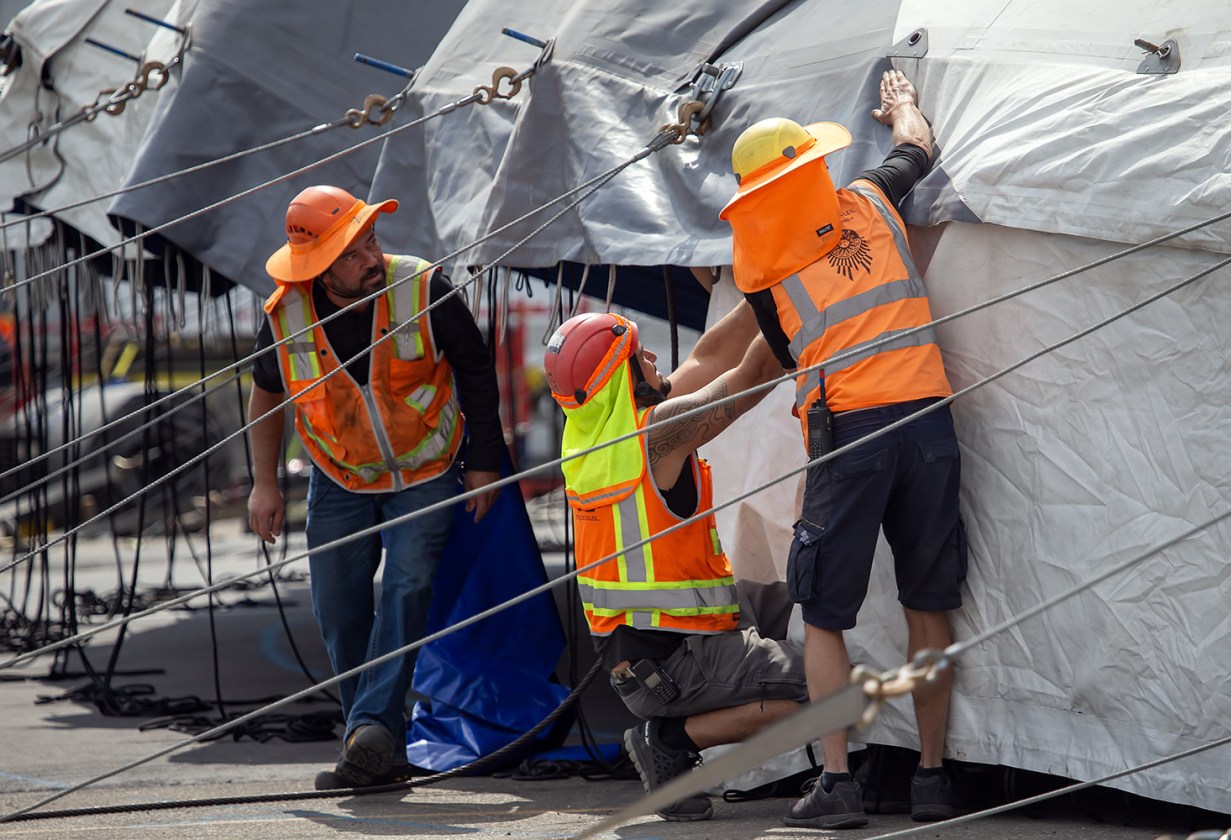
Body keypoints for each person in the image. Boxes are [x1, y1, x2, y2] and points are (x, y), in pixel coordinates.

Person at [718, 70, 969, 826]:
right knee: (931, 601)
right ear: (813, 166)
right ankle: (932, 778)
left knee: (824, 613)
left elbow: (791, 356)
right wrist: (901, 107)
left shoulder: (763, 275)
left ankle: (838, 784)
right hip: (927, 420)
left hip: (848, 434)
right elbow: (916, 148)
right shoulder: (869, 197)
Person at [246, 185, 504, 789]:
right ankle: (379, 751)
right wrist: (264, 484)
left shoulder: (421, 287)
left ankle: (366, 733)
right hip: (340, 477)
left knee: (408, 585)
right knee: (337, 607)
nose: (373, 259)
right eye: (354, 253)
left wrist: (485, 458)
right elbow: (265, 396)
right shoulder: (284, 316)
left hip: (426, 468)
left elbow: (475, 365)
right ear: (319, 269)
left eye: (372, 243)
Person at [543, 303, 809, 822]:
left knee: (798, 611)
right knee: (832, 685)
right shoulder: (655, 434)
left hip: (644, 660)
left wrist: (766, 286)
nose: (650, 355)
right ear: (619, 375)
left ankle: (667, 731)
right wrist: (802, 291)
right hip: (674, 662)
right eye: (635, 352)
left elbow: (710, 354)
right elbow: (753, 374)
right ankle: (666, 739)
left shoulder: (593, 436)